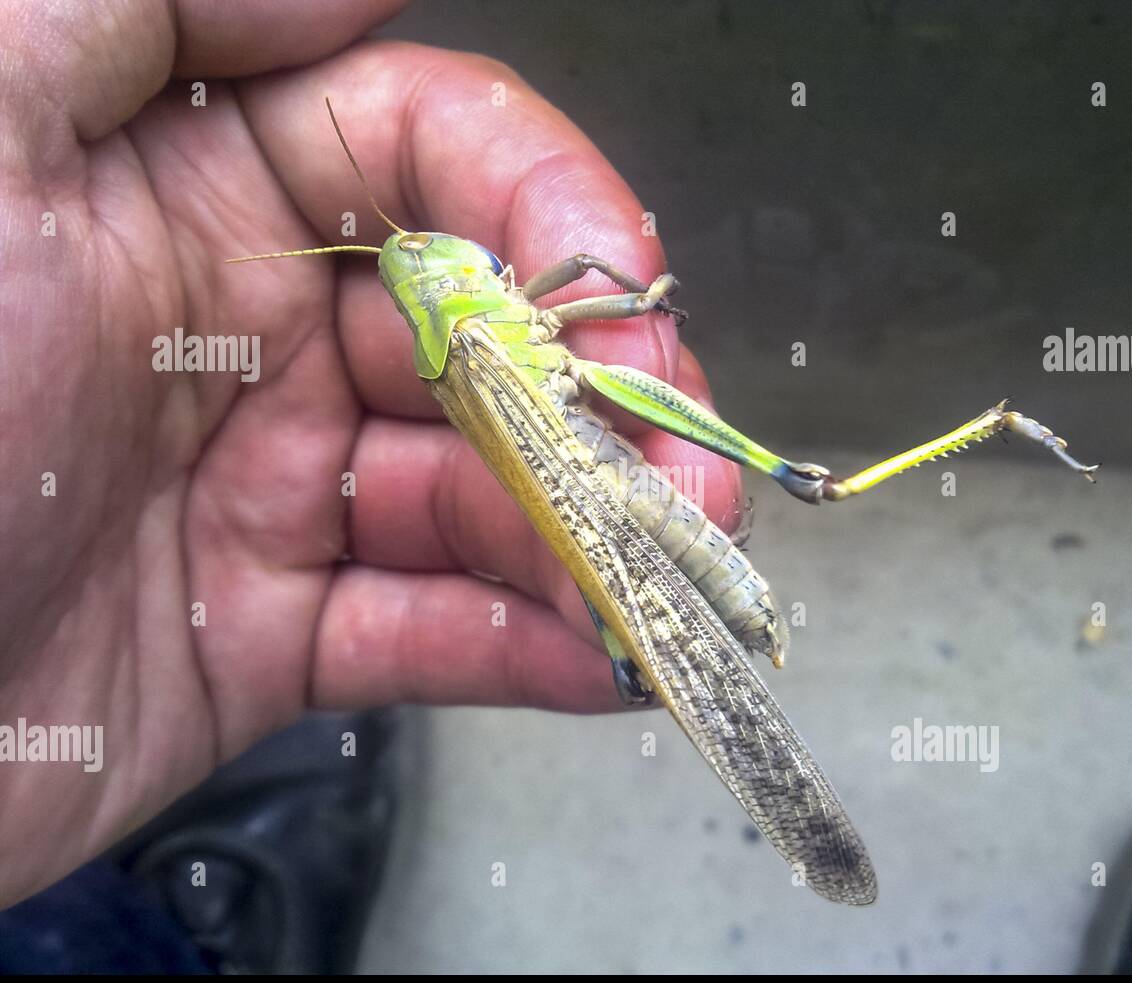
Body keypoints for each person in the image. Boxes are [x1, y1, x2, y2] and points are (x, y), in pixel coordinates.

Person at [0, 0, 741, 915]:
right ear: (454, 284)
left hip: (588, 477)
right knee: (649, 504)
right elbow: (587, 259)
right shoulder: (482, 335)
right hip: (601, 487)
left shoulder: (451, 355)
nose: (431, 249)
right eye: (424, 258)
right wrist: (643, 298)